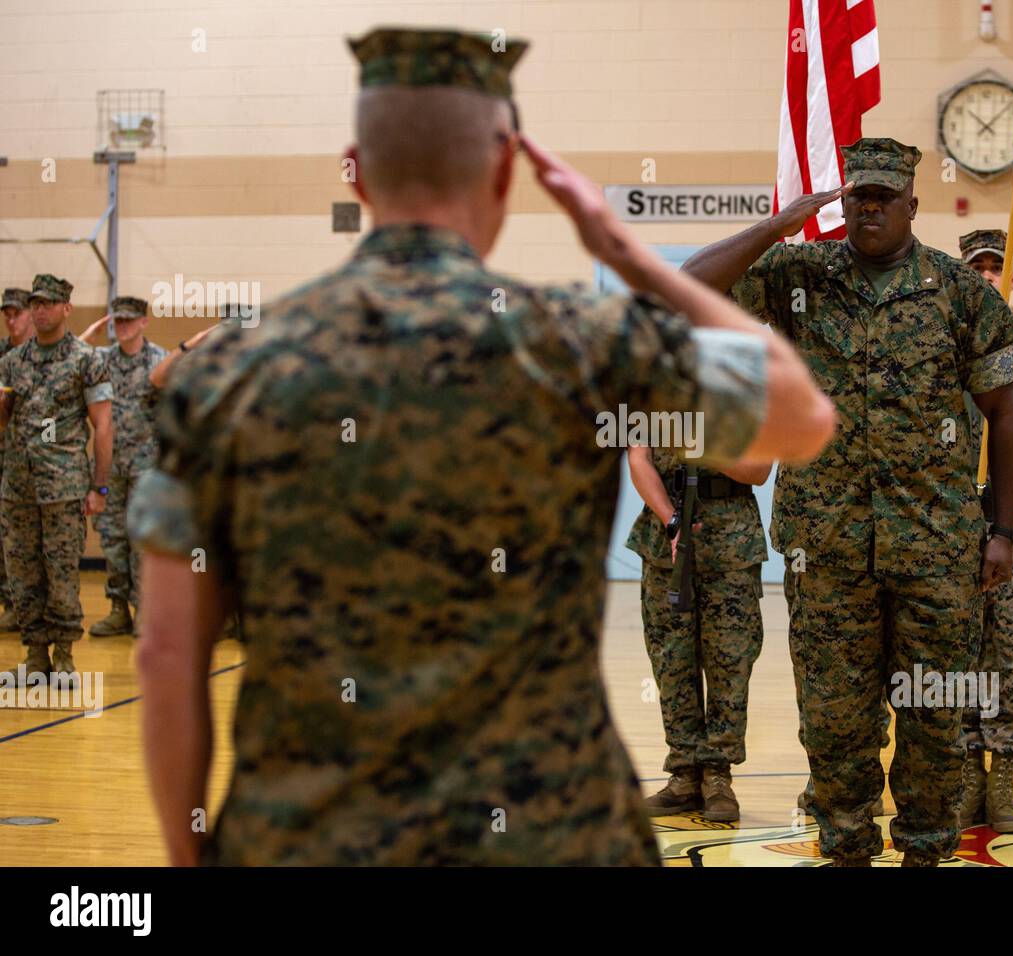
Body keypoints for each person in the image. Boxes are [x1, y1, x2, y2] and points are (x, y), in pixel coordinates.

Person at [128, 27, 836, 866]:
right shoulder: (579, 339)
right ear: (506, 169)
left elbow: (167, 649)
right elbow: (802, 417)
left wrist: (187, 853)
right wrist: (626, 256)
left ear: (356, 167)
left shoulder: (228, 370)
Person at [683, 138, 1013, 866]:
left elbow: (1006, 412)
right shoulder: (798, 274)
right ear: (843, 204)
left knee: (934, 715)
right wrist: (778, 226)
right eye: (857, 196)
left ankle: (925, 851)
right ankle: (845, 848)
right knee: (835, 720)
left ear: (911, 205)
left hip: (936, 549)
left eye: (883, 197)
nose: (869, 208)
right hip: (826, 550)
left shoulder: (959, 292)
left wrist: (1001, 530)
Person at [954, 229, 1013, 833]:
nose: (989, 276)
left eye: (999, 267)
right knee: (960, 652)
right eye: (978, 267)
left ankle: (1006, 779)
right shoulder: (942, 341)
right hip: (956, 515)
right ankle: (968, 775)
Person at [626, 445, 769, 822]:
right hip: (664, 539)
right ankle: (685, 775)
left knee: (730, 661)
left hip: (732, 542)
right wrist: (671, 521)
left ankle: (717, 776)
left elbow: (758, 469)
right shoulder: (657, 387)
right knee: (671, 661)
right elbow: (638, 459)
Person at [0, 274, 113, 684]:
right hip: (18, 488)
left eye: (48, 302)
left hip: (64, 488)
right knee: (22, 574)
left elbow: (103, 426)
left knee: (62, 572)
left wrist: (99, 487)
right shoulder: (11, 362)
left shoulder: (86, 360)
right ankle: (34, 656)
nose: (40, 309)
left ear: (67, 307)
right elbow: (3, 420)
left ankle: (63, 654)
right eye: (35, 303)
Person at [78, 296, 168, 637]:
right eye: (118, 320)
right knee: (112, 538)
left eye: (130, 320)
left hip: (147, 466)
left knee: (143, 540)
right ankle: (118, 609)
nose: (123, 326)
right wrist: (91, 332)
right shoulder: (101, 359)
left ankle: (145, 610)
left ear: (144, 322)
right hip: (110, 465)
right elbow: (66, 356)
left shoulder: (159, 359)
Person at [0, 288, 36, 633]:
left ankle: (19, 606)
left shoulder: (37, 356)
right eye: (7, 314)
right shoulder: (2, 355)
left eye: (17, 313)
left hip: (27, 460)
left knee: (23, 539)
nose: (12, 319)